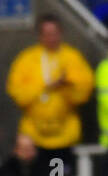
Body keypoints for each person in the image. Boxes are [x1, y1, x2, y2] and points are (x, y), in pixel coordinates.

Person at [5, 14, 93, 155]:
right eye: (47, 34)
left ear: (61, 33)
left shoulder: (73, 58)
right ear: (39, 35)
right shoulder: (26, 60)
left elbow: (83, 94)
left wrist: (64, 86)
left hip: (64, 137)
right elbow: (17, 95)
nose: (51, 38)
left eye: (54, 34)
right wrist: (45, 87)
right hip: (33, 136)